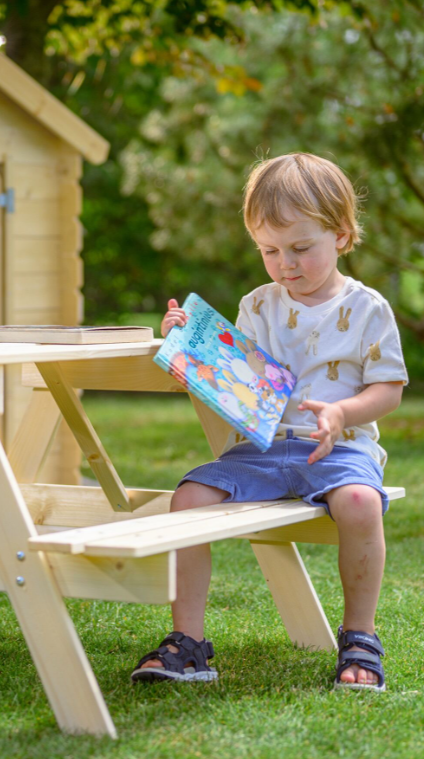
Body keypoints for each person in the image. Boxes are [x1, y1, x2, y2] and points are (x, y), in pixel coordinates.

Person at [131, 153, 408, 692]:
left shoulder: (368, 308)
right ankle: (188, 643)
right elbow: (237, 378)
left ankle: (360, 635)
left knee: (360, 502)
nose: (286, 264)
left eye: (301, 248)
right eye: (269, 250)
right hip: (261, 449)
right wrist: (187, 345)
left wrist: (341, 413)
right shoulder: (257, 305)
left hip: (337, 449)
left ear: (341, 235)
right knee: (187, 498)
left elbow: (389, 390)